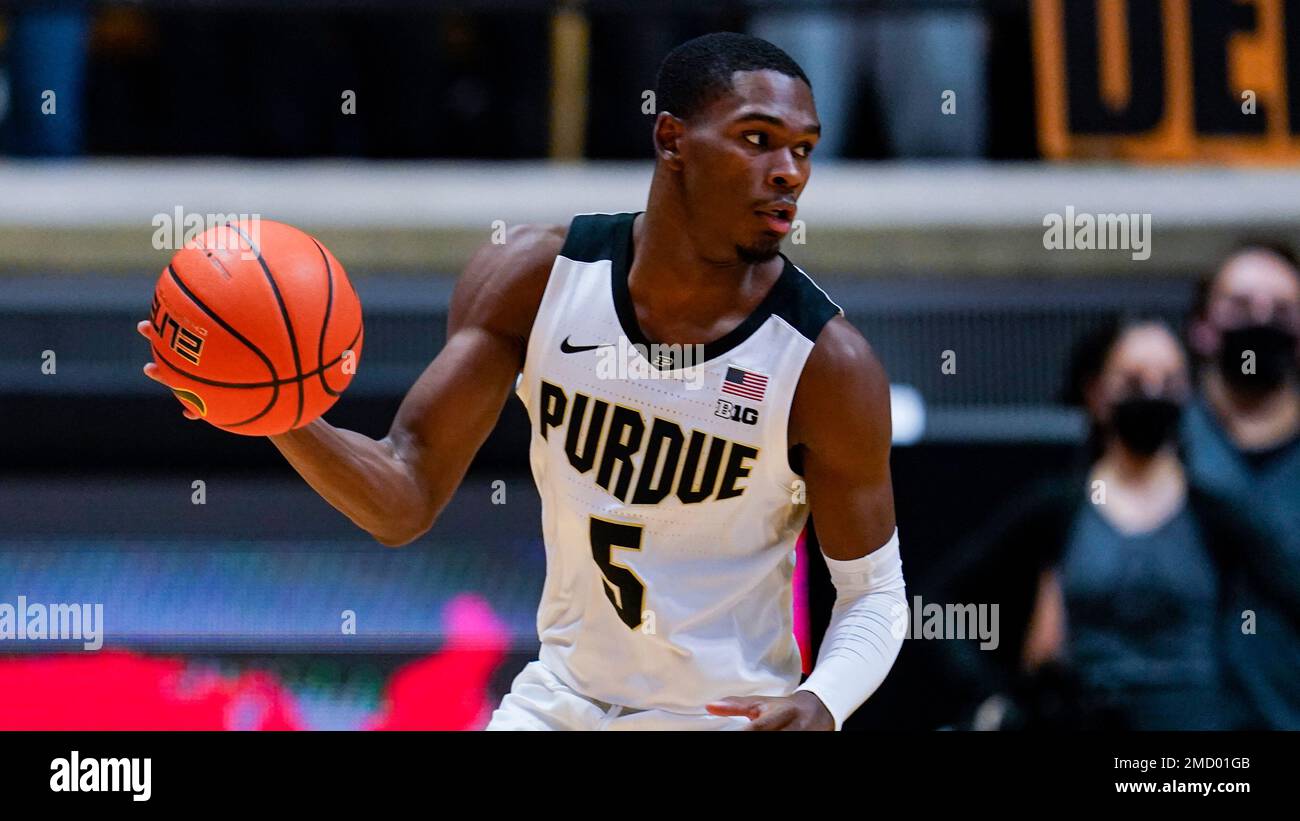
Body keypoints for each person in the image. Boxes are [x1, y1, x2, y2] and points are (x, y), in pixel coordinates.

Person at [137, 33, 905, 731]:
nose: (788, 173)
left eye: (803, 150)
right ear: (672, 139)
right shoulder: (535, 279)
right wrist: (268, 406)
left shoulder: (824, 363)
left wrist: (822, 697)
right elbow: (404, 495)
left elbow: (872, 595)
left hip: (720, 714)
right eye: (758, 140)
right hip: (560, 701)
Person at [934, 319, 1280, 730]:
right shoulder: (1058, 508)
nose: (1152, 394)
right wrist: (992, 694)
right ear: (1097, 392)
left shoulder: (1214, 512)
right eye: (1134, 380)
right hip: (1086, 716)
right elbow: (935, 605)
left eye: (1169, 381)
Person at [1183, 242, 1300, 730]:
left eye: (1281, 310)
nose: (1260, 320)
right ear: (1203, 329)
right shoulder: (1149, 447)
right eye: (1240, 306)